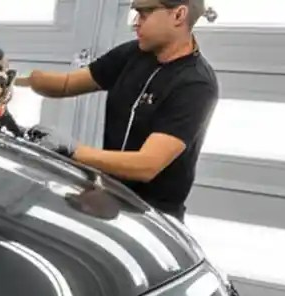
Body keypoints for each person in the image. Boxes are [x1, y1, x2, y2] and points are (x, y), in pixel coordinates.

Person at [17, 0, 219, 221]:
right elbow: (66, 84)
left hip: (151, 214)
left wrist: (73, 150)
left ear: (178, 15)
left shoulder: (195, 85)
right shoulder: (133, 54)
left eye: (144, 15)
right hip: (110, 195)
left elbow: (147, 165)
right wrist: (13, 78)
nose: (135, 23)